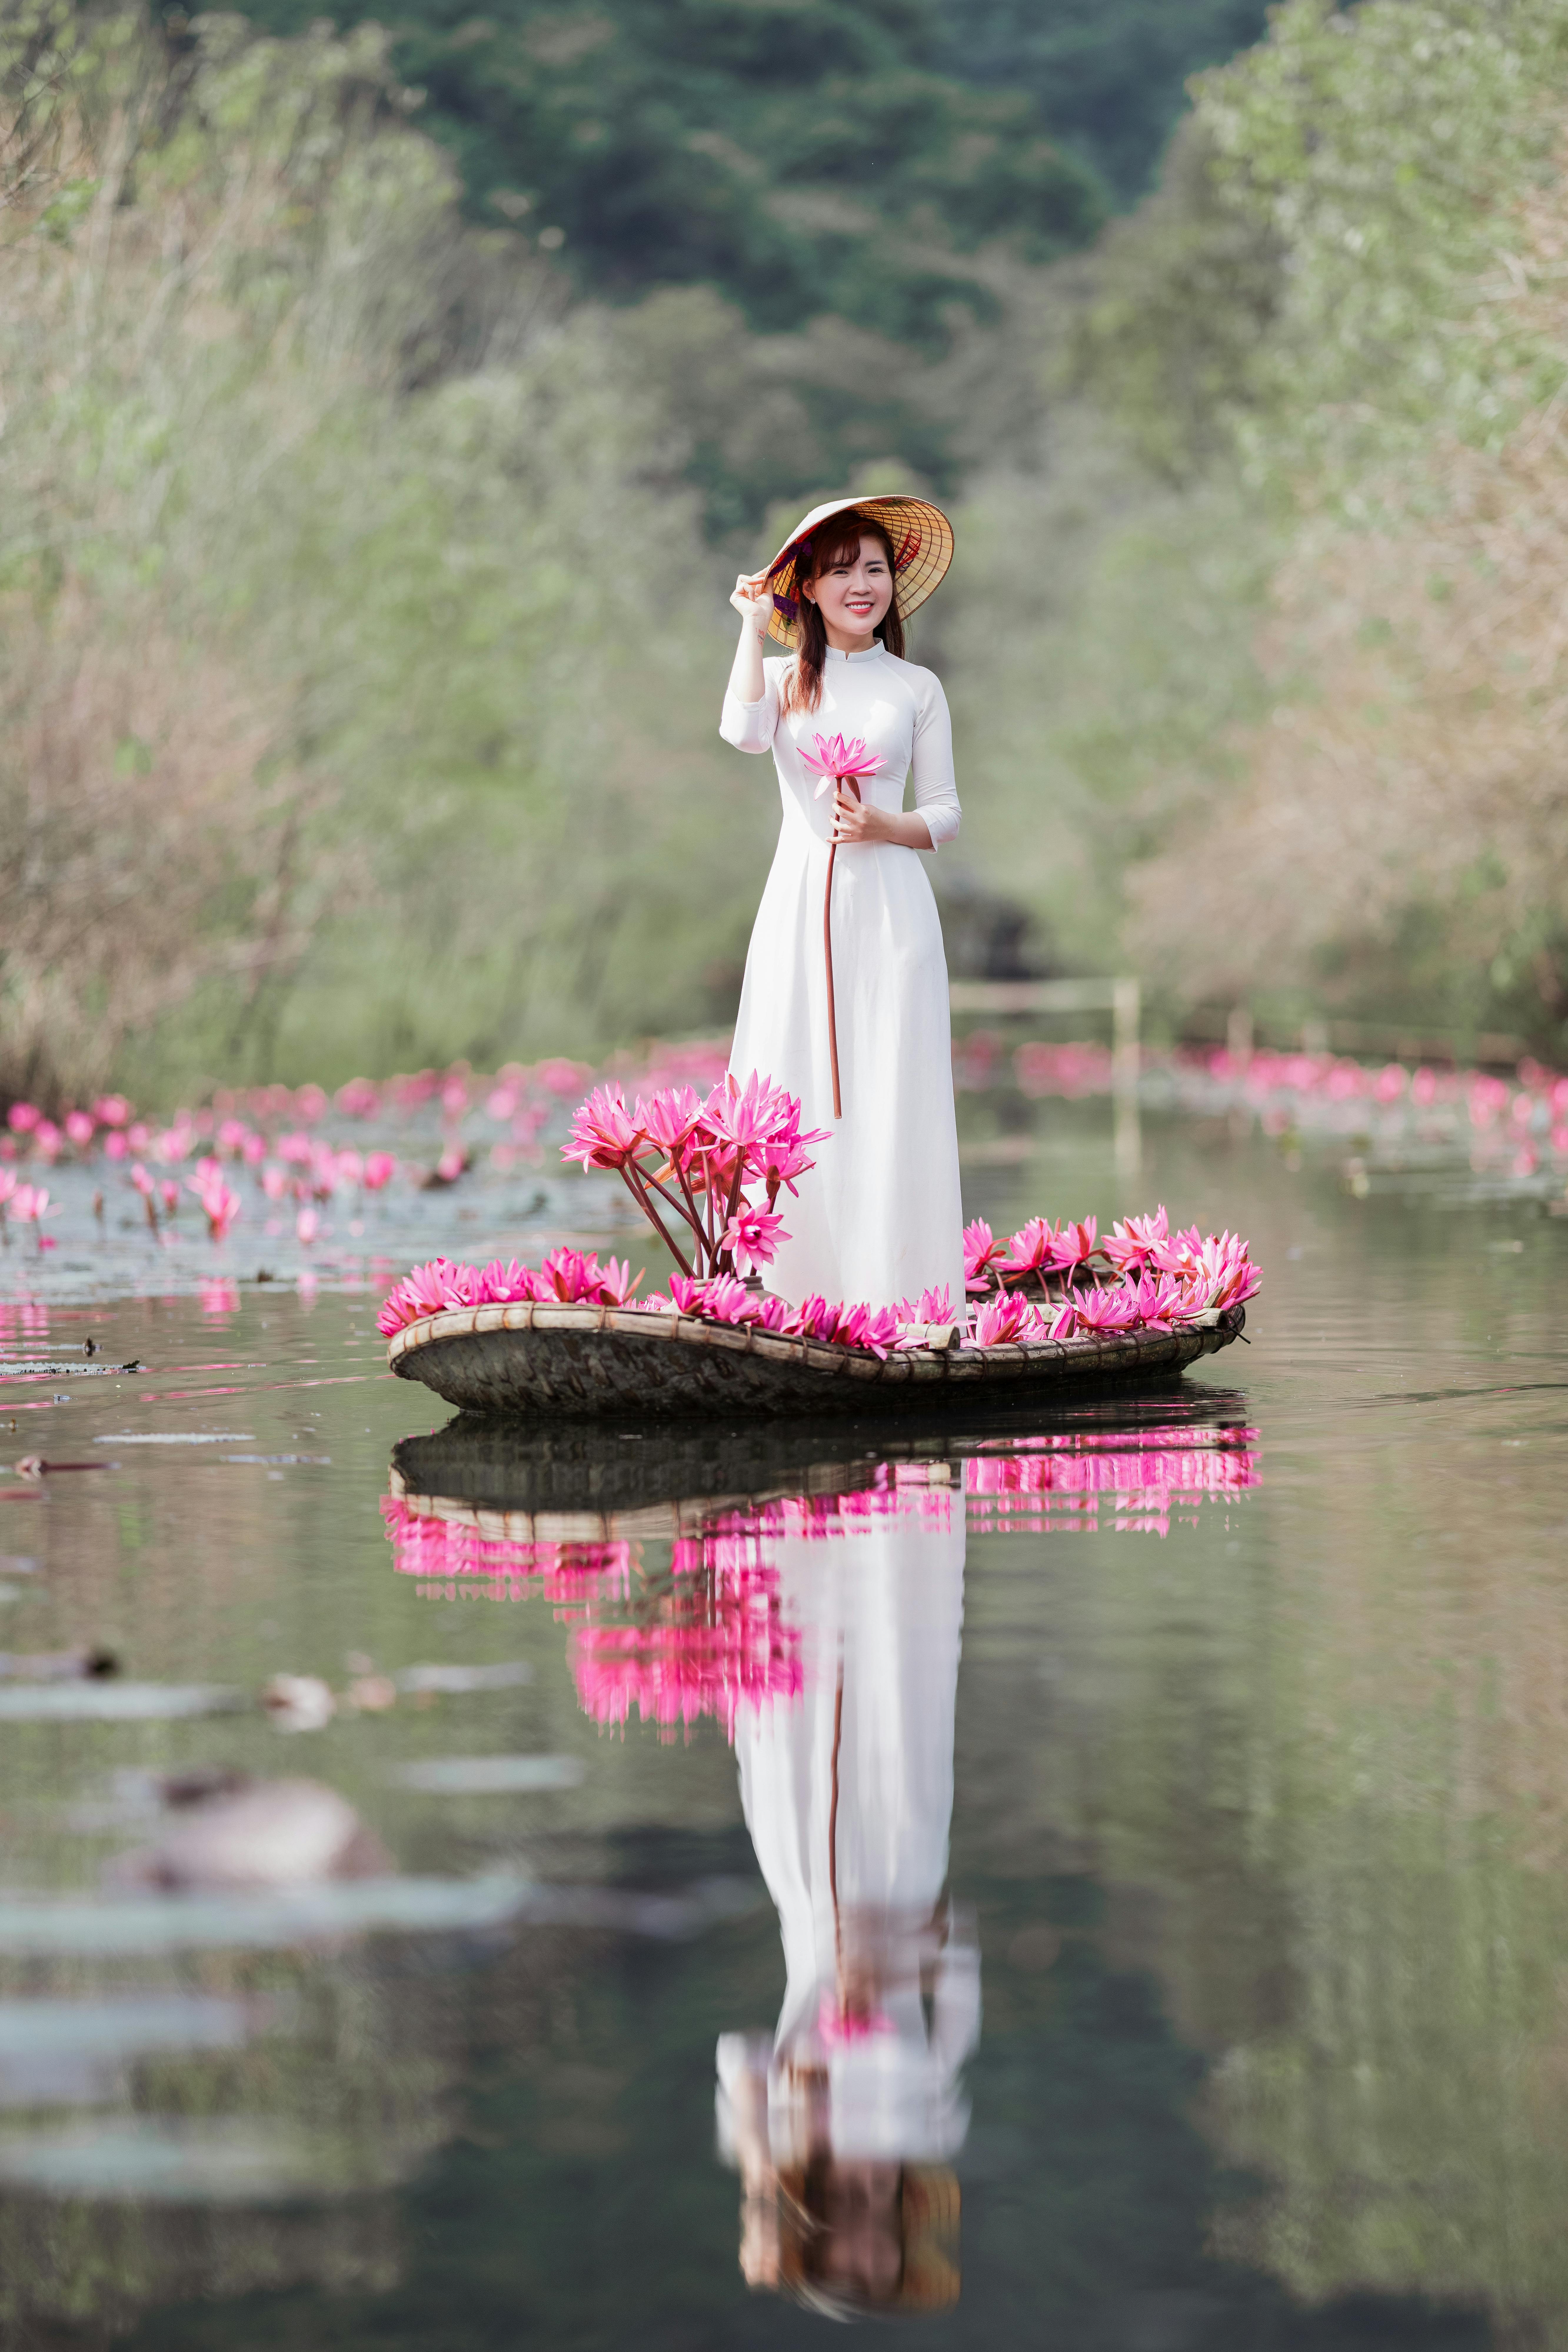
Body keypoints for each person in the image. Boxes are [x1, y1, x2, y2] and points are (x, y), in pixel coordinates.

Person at [715, 1479, 977, 2316]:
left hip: (804, 1875)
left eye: (844, 2208)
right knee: (900, 1682)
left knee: (792, 1713)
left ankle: (778, 1496)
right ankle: (899, 1495)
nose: (863, 2197)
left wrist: (765, 2186)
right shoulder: (933, 2122)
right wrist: (902, 1956)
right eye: (878, 2213)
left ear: (816, 2208)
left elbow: (735, 2052)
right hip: (903, 1865)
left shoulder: (778, 2135)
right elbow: (961, 1960)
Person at [720, 496, 965, 1314]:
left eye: (874, 569)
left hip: (893, 914)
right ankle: (783, 1297)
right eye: (840, 570)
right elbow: (741, 731)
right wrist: (752, 626)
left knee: (890, 1090)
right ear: (810, 590)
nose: (861, 585)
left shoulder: (915, 687)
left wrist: (879, 824)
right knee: (797, 1080)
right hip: (800, 909)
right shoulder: (787, 681)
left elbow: (945, 812)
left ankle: (897, 1300)